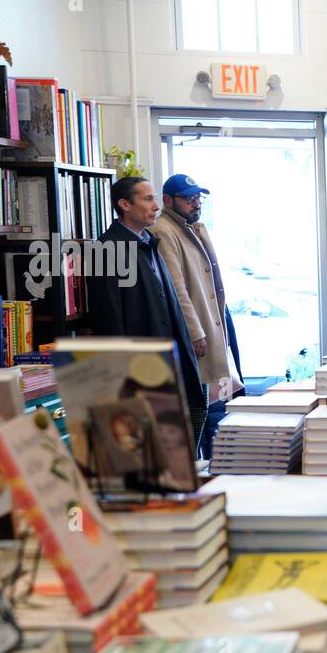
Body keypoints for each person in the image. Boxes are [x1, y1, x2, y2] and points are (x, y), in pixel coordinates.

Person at [89, 176, 205, 449]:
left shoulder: (149, 241)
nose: (156, 206)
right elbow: (107, 319)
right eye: (148, 199)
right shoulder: (106, 249)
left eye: (155, 198)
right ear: (125, 204)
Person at [150, 173, 243, 458]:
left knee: (217, 403)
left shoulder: (192, 227)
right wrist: (195, 331)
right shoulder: (164, 230)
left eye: (198, 198)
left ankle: (212, 468)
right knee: (202, 410)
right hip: (199, 331)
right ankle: (203, 472)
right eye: (188, 199)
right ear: (168, 200)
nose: (195, 204)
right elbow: (177, 287)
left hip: (213, 324)